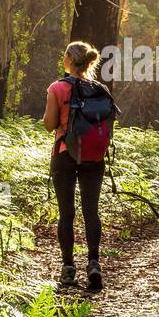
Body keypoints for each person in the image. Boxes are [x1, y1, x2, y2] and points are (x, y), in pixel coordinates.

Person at [43, 41, 113, 291]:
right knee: (90, 211)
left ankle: (68, 269)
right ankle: (94, 264)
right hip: (94, 157)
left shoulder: (58, 88)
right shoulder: (100, 89)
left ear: (69, 60)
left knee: (67, 213)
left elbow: (50, 124)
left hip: (64, 154)